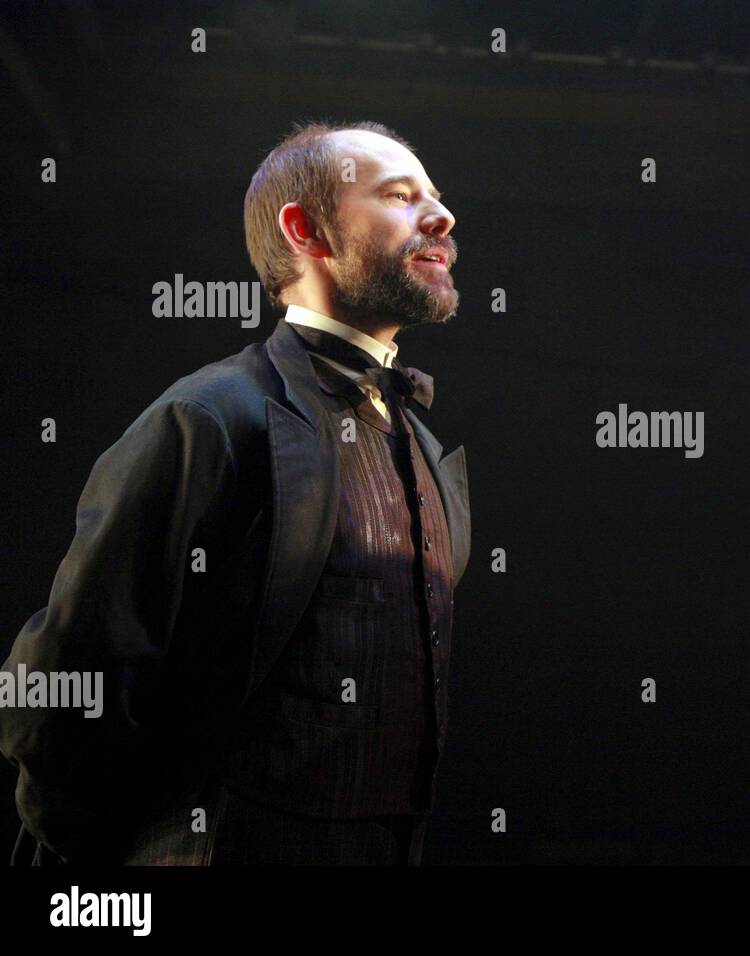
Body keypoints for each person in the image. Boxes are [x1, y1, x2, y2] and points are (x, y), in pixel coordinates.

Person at [1, 120, 470, 865]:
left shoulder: (427, 450)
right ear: (306, 229)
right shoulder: (212, 416)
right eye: (399, 195)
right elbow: (64, 683)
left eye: (436, 198)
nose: (441, 217)